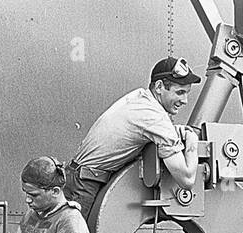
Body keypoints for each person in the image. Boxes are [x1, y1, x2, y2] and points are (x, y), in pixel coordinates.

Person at [66, 57, 203, 220]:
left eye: (187, 93)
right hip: (85, 184)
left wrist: (172, 131)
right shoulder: (155, 118)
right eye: (179, 92)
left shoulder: (139, 97)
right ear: (159, 87)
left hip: (74, 176)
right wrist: (192, 141)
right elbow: (187, 179)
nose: (185, 101)